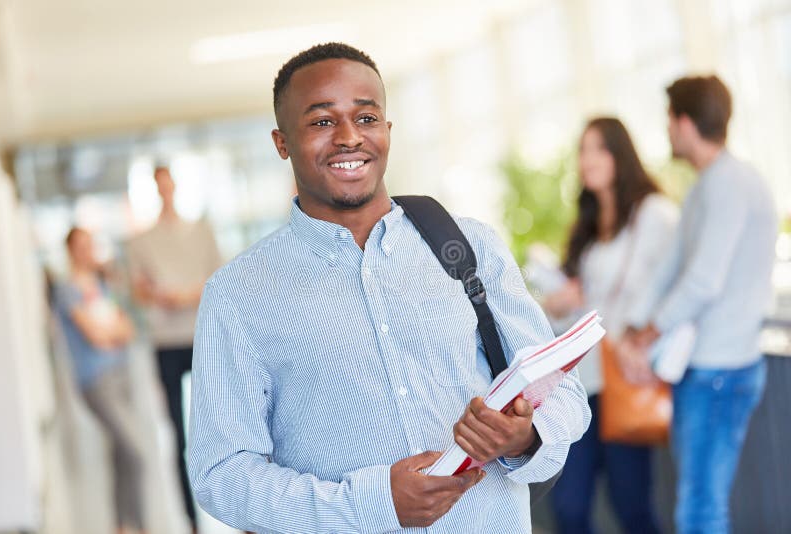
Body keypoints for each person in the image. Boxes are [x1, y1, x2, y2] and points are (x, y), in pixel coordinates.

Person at [187, 42, 591, 533]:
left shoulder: (469, 246)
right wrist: (373, 504)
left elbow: (563, 391)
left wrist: (525, 437)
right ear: (282, 142)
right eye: (321, 122)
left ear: (387, 130)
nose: (348, 137)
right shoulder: (238, 295)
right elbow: (222, 474)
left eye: (366, 117)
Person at [622, 75, 777, 534]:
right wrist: (634, 328)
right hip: (712, 369)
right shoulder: (712, 185)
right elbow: (672, 268)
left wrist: (648, 332)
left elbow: (703, 281)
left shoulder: (728, 184)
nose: (667, 130)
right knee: (699, 502)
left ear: (685, 122)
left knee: (700, 508)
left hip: (719, 372)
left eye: (669, 120)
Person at [542, 117, 677, 534]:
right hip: (580, 387)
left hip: (623, 380)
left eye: (598, 148)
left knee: (631, 507)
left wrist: (644, 339)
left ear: (620, 154)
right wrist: (558, 302)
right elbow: (575, 312)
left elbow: (677, 286)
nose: (587, 160)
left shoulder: (654, 215)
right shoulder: (586, 228)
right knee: (568, 507)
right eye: (583, 150)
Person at [126, 166, 221, 534]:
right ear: (154, 188)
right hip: (166, 342)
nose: (165, 190)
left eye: (169, 184)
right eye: (159, 185)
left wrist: (184, 294)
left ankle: (241, 512)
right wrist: (157, 294)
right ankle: (190, 520)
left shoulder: (200, 231)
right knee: (178, 437)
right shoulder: (141, 241)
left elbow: (218, 277)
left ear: (175, 186)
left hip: (203, 337)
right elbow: (137, 290)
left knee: (222, 424)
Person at [54, 227, 147, 534]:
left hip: (121, 377)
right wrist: (109, 335)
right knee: (136, 452)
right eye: (80, 246)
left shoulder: (104, 285)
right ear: (70, 251)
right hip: (96, 382)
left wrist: (110, 335)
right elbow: (93, 336)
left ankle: (123, 525)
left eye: (90, 245)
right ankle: (139, 526)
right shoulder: (67, 290)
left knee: (122, 455)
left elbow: (128, 330)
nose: (87, 251)